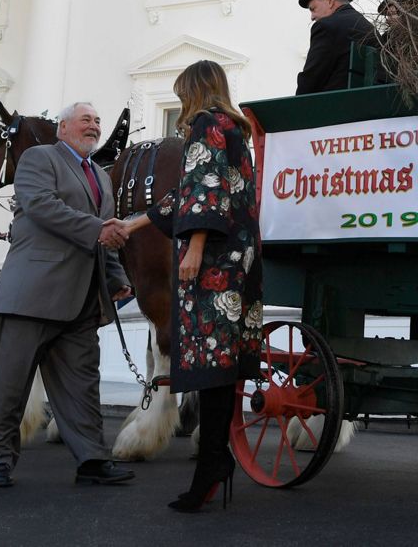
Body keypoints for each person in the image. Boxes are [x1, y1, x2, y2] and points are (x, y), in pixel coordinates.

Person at [119, 59, 262, 512]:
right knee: (223, 367)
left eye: (183, 93)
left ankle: (212, 468)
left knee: (210, 366)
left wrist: (194, 250)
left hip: (213, 262)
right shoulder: (236, 129)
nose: (181, 102)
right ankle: (215, 462)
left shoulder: (205, 125)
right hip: (241, 259)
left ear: (196, 91)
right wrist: (134, 223)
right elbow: (186, 196)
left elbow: (204, 194)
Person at [0, 101, 135, 488]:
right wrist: (98, 230)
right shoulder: (38, 159)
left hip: (80, 301)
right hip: (31, 295)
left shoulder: (100, 176)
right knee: (5, 386)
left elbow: (103, 236)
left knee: (82, 386)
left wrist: (116, 276)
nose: (93, 126)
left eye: (97, 121)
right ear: (62, 128)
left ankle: (92, 458)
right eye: (85, 120)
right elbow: (43, 207)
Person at [295, 0, 378, 95]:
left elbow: (311, 78)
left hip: (337, 106)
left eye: (313, 9)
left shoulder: (326, 26)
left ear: (330, 0)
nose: (312, 17)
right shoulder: (369, 27)